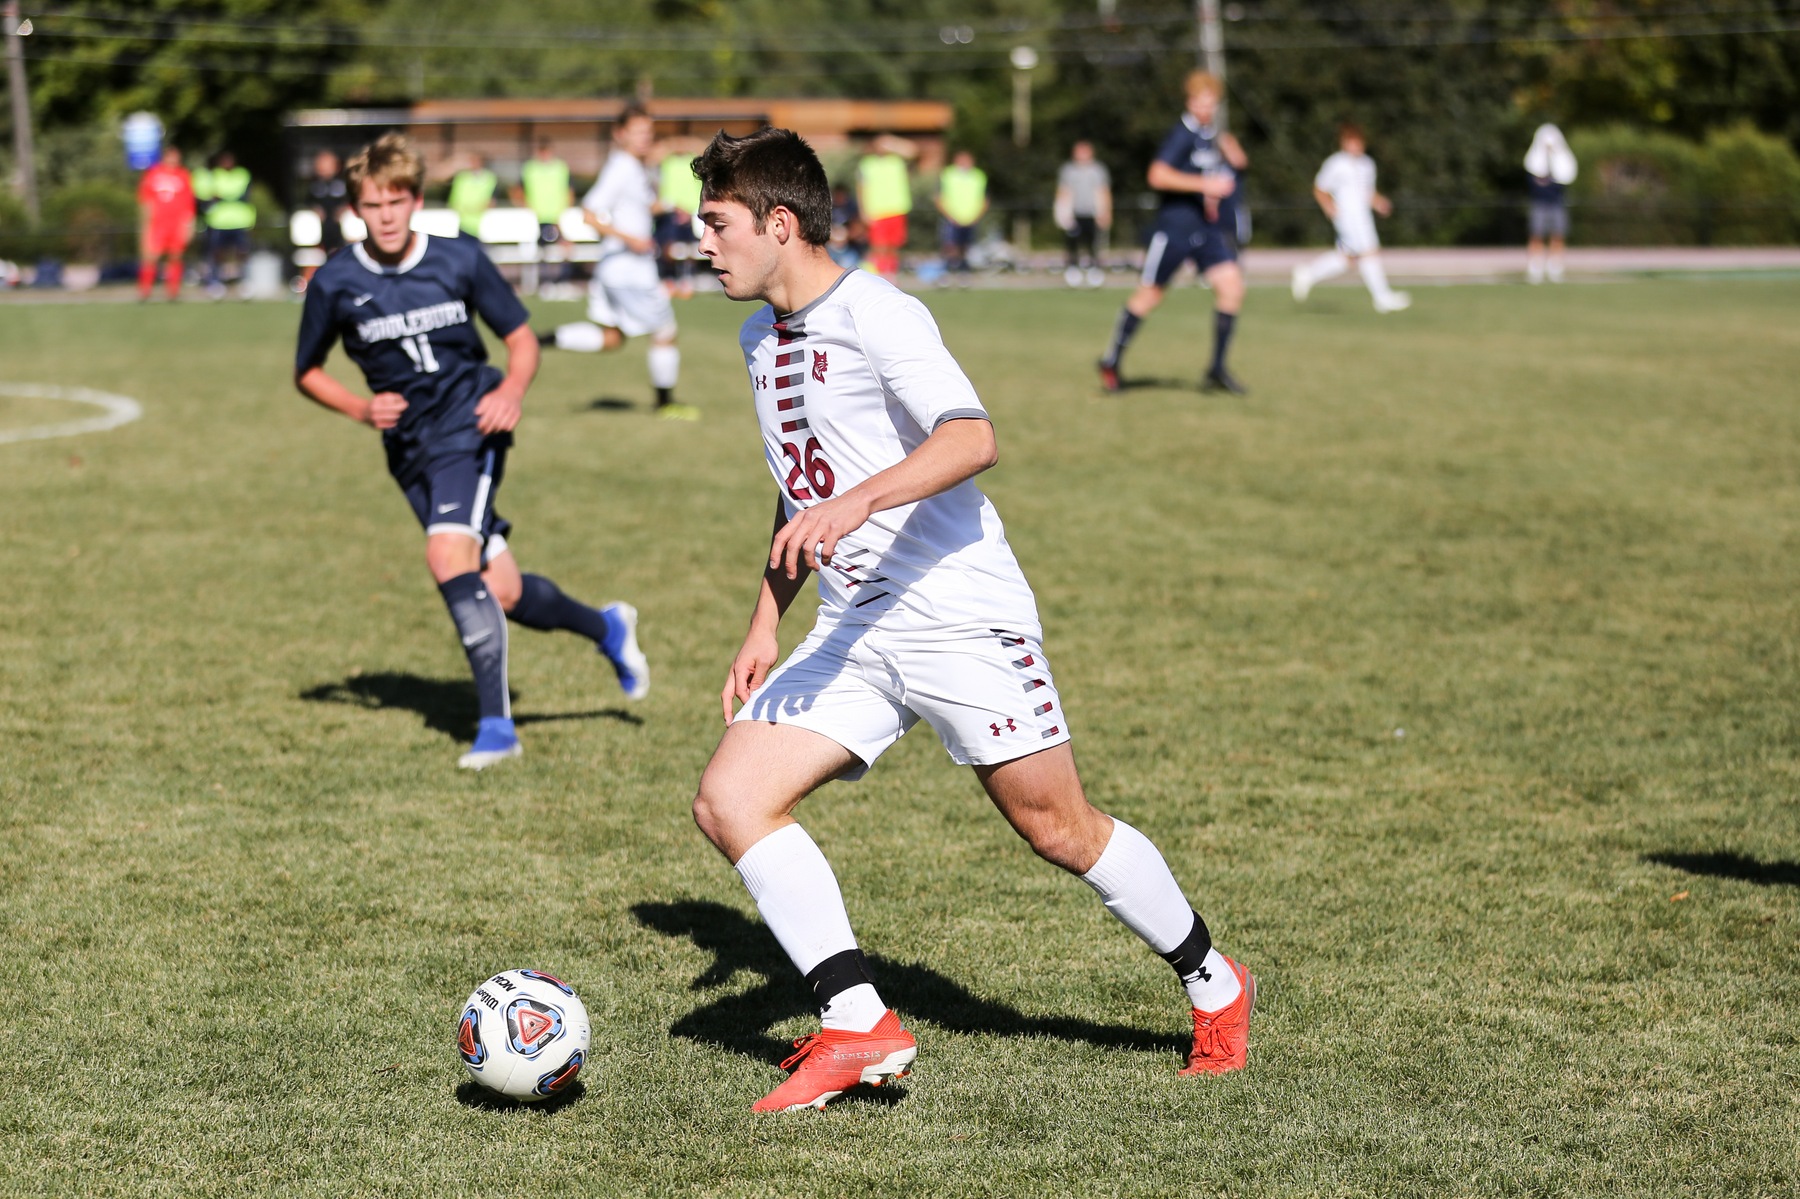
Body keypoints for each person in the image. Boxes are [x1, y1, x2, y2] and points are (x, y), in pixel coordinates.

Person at [690, 126, 1255, 1114]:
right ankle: (859, 1022)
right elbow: (800, 493)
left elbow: (973, 434)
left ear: (780, 224)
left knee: (1058, 827)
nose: (702, 240)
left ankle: (1215, 979)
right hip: (854, 626)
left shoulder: (877, 312)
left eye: (717, 222)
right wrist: (762, 622)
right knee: (731, 797)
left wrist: (860, 502)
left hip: (957, 614)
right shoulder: (756, 337)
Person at [294, 133, 650, 770]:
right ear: (356, 209)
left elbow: (521, 338)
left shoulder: (458, 259)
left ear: (417, 199)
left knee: (445, 552)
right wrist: (358, 407)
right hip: (408, 447)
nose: (387, 215)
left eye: (397, 200)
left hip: (471, 425)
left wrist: (512, 390)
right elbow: (307, 371)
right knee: (503, 591)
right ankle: (607, 627)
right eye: (374, 204)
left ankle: (495, 727)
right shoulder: (337, 282)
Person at [1098, 71, 1248, 396]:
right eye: (1201, 102)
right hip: (1174, 229)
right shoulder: (1181, 134)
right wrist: (1204, 184)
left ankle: (1217, 369)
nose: (1206, 108)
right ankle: (1111, 360)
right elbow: (1157, 175)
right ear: (1190, 102)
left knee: (1232, 286)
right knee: (1150, 295)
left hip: (1204, 230)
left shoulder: (1209, 136)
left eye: (1212, 103)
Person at [541, 105, 694, 421]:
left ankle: (540, 339)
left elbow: (635, 208)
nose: (644, 139)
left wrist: (666, 207)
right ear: (620, 134)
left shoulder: (633, 167)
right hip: (629, 268)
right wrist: (630, 239)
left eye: (648, 133)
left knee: (612, 338)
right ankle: (665, 404)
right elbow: (589, 213)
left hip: (615, 269)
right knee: (666, 331)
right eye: (638, 132)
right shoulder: (622, 166)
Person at [1290, 123, 1410, 313]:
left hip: (1363, 215)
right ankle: (1382, 297)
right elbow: (1320, 188)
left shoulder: (1368, 164)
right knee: (1369, 251)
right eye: (1351, 142)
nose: (1355, 146)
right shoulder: (1336, 163)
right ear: (1344, 143)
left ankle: (1308, 274)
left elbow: (1367, 193)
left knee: (1347, 259)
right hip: (1346, 216)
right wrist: (1329, 207)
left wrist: (1379, 203)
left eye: (1358, 142)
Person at [194, 150, 256, 299]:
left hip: (240, 220)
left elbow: (240, 194)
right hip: (218, 222)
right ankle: (215, 281)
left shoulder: (242, 174)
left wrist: (223, 196)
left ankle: (244, 281)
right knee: (217, 253)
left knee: (242, 252)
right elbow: (206, 195)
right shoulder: (212, 175)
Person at [136, 145, 195, 301]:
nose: (173, 160)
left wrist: (188, 224)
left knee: (175, 256)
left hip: (176, 224)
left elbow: (189, 203)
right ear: (165, 157)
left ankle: (173, 292)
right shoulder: (153, 174)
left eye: (176, 157)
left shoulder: (183, 175)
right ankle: (145, 291)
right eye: (171, 156)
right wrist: (146, 225)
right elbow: (146, 201)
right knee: (151, 256)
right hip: (158, 224)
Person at [856, 134, 916, 279]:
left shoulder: (897, 161)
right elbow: (861, 188)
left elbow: (914, 151)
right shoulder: (866, 163)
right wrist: (863, 210)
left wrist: (894, 143)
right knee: (878, 245)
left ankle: (890, 273)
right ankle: (876, 274)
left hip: (896, 209)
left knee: (893, 245)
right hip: (877, 211)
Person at [1524, 123, 1577, 284]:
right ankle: (1535, 267)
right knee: (1536, 234)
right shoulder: (1534, 162)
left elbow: (1563, 180)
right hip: (1539, 203)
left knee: (1558, 235)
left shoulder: (1560, 161)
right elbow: (1533, 183)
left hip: (1557, 204)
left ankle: (1555, 267)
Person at [516, 140, 574, 283]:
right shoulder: (530, 168)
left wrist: (565, 210)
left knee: (564, 247)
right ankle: (544, 282)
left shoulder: (560, 167)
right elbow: (518, 190)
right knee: (541, 251)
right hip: (537, 217)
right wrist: (525, 206)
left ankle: (562, 281)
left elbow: (569, 190)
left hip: (558, 216)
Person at [1056, 140, 1112, 288]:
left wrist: (1106, 211)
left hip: (1093, 213)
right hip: (1074, 213)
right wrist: (1061, 212)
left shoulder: (1098, 170)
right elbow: (1063, 191)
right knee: (1072, 243)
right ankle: (1073, 269)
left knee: (1093, 243)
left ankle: (1095, 270)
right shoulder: (1068, 170)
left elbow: (1104, 191)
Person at [656, 142, 705, 300]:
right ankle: (669, 278)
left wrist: (685, 142)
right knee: (667, 244)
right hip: (671, 212)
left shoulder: (695, 160)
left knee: (693, 247)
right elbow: (656, 153)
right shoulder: (667, 162)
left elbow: (704, 148)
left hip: (694, 212)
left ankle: (687, 279)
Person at [301, 149, 351, 289]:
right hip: (320, 230)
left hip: (339, 229)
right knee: (314, 256)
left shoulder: (342, 184)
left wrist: (344, 209)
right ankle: (308, 283)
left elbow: (351, 201)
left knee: (340, 253)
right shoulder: (314, 186)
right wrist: (314, 209)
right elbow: (307, 202)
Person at [935, 150, 988, 277]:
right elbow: (939, 197)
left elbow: (985, 198)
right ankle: (950, 268)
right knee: (950, 244)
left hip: (971, 217)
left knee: (966, 245)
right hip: (952, 217)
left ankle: (963, 270)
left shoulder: (979, 176)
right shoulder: (948, 175)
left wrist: (977, 216)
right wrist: (949, 215)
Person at [448, 152, 498, 239]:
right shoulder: (462, 178)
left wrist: (478, 207)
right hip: (463, 223)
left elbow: (491, 202)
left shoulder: (489, 178)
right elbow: (454, 201)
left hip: (482, 224)